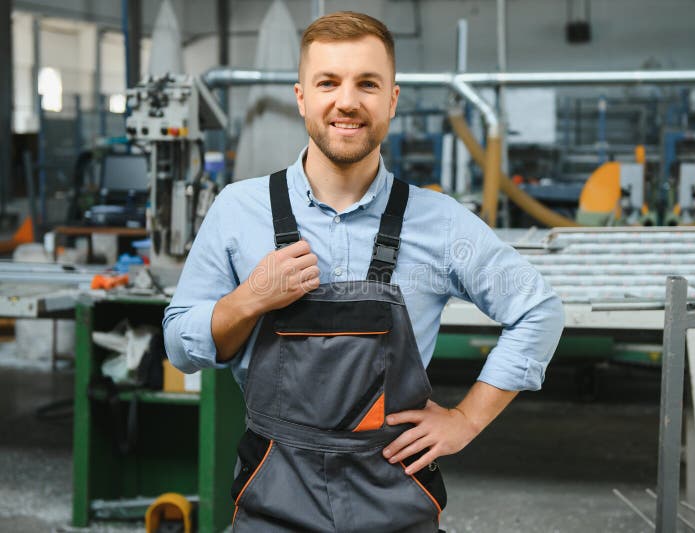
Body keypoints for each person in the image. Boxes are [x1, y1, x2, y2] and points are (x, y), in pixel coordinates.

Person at [163, 11, 564, 532]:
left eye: (367, 84)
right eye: (327, 82)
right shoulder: (238, 211)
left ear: (391, 100)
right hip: (274, 490)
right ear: (301, 96)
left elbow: (538, 309)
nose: (347, 101)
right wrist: (250, 298)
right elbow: (178, 346)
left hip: (392, 493)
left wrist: (467, 420)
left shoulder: (440, 223)